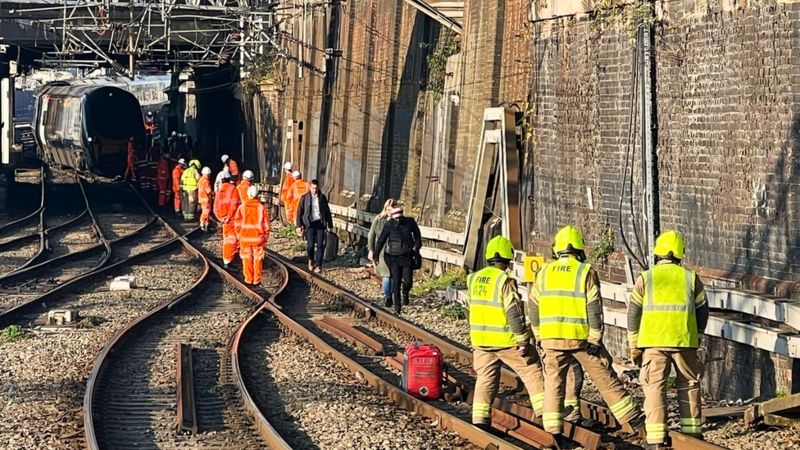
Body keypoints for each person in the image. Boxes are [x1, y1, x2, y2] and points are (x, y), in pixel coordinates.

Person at [529, 225, 642, 441]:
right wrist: (595, 338)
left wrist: (539, 335)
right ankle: (633, 418)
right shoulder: (585, 272)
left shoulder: (543, 273)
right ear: (579, 250)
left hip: (551, 340)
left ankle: (553, 432)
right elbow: (594, 307)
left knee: (554, 383)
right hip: (580, 339)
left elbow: (533, 306)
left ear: (557, 250)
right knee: (603, 375)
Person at [628, 231, 708, 448]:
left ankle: (655, 440)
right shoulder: (691, 278)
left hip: (653, 343)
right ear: (680, 254)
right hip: (684, 341)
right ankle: (692, 434)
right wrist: (697, 336)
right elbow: (703, 311)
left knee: (654, 388)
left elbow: (633, 314)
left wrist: (634, 345)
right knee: (690, 385)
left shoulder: (646, 278)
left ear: (657, 253)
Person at [466, 235, 549, 429]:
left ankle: (480, 420)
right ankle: (546, 414)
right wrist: (523, 340)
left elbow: (471, 308)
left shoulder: (474, 279)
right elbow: (513, 311)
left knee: (485, 379)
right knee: (531, 370)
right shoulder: (504, 280)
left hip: (481, 340)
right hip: (506, 340)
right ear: (507, 259)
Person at [373, 206, 421, 314]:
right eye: (396, 218)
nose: (398, 220)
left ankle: (405, 292)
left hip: (407, 256)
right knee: (396, 282)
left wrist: (416, 247)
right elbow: (381, 240)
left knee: (408, 281)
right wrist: (376, 254)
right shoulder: (389, 224)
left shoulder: (410, 222)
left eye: (399, 218)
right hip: (393, 257)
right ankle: (397, 306)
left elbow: (418, 235)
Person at [234, 185, 270, 286]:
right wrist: (265, 237)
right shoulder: (261, 208)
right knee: (258, 259)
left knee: (246, 258)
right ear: (257, 195)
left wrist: (238, 235)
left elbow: (237, 223)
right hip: (258, 238)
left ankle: (248, 279)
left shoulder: (242, 207)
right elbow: (266, 224)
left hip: (244, 238)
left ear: (248, 194)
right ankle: (256, 280)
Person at [296, 179, 333, 273]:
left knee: (321, 245)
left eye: (316, 188)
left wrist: (330, 224)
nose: (314, 190)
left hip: (320, 223)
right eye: (313, 188)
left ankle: (318, 265)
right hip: (310, 224)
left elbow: (327, 211)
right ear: (310, 187)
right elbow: (299, 212)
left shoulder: (322, 198)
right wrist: (299, 225)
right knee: (310, 245)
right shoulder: (305, 198)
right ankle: (310, 260)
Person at [368, 199, 397, 305]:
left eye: (392, 209)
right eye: (388, 209)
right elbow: (371, 234)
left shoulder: (398, 220)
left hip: (395, 251)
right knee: (386, 275)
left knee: (393, 275)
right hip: (382, 251)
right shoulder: (379, 219)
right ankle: (388, 296)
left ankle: (391, 294)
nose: (390, 211)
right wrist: (371, 249)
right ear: (385, 209)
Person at [214, 174, 241, 268]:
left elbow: (215, 208)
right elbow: (235, 204)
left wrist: (221, 218)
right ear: (229, 179)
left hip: (224, 221)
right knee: (232, 240)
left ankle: (230, 259)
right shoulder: (233, 189)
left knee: (227, 240)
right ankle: (228, 261)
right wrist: (229, 216)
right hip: (232, 220)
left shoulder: (219, 191)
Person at [198, 167, 213, 231]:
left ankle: (206, 224)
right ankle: (202, 224)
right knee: (206, 212)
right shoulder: (206, 181)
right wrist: (215, 193)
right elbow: (208, 191)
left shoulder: (201, 179)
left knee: (206, 212)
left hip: (202, 199)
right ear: (208, 174)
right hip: (206, 200)